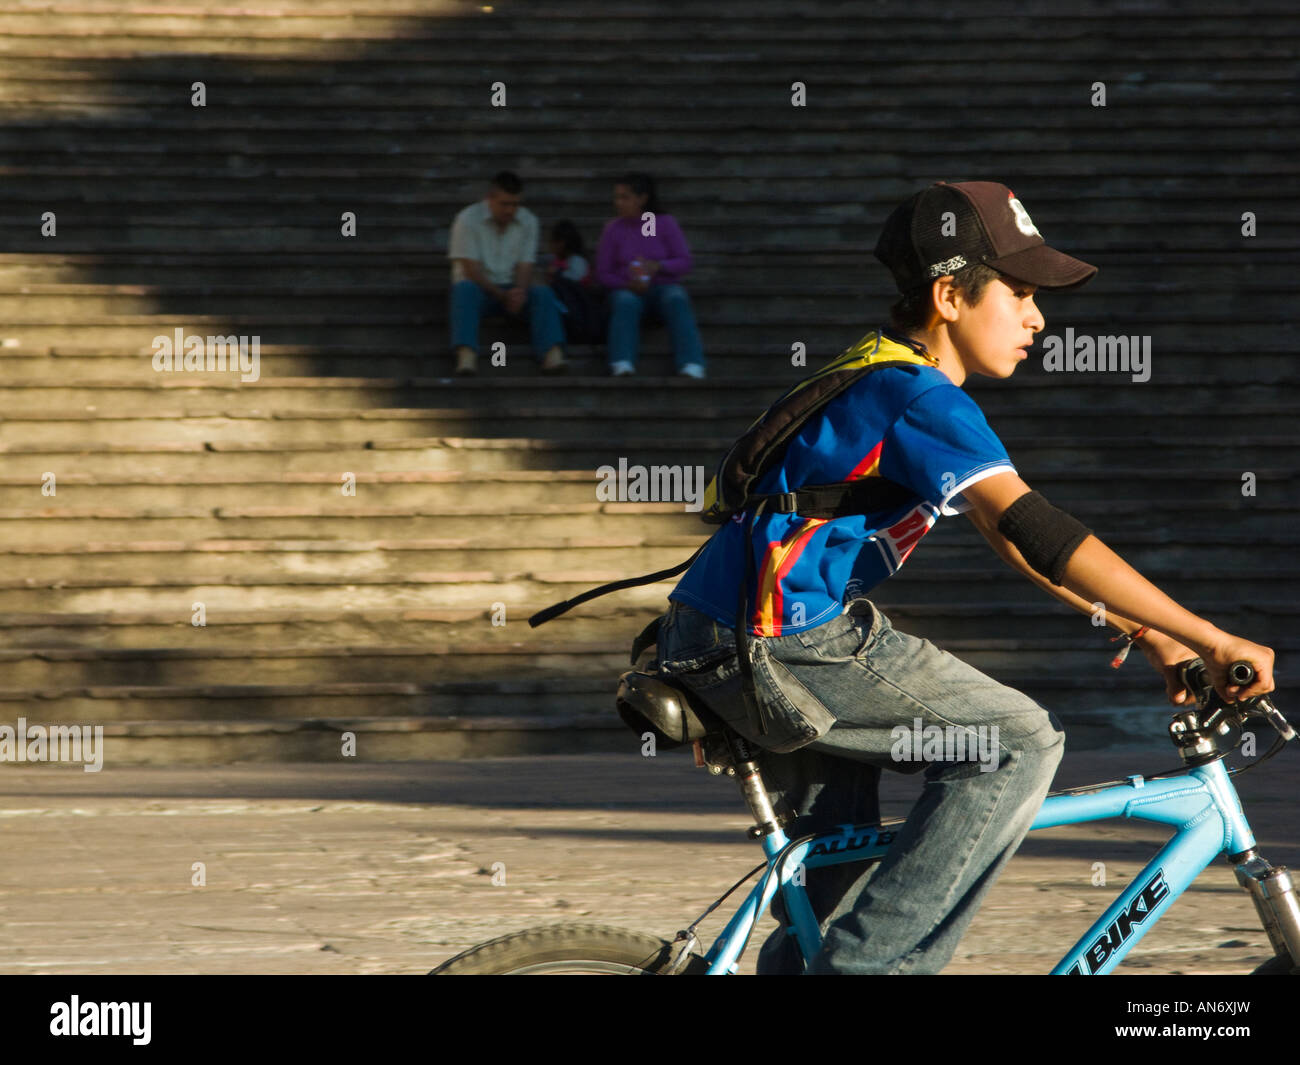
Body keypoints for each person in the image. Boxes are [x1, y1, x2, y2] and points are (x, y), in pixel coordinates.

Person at [654, 180, 1276, 974]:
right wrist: (1212, 635)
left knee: (831, 901)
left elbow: (1004, 537)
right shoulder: (917, 393)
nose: (1037, 317)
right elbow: (1035, 528)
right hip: (785, 638)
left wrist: (1147, 631)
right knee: (1015, 742)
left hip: (730, 628)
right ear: (949, 295)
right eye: (1018, 292)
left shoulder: (883, 373)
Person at [448, 170, 567, 376]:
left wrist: (518, 292)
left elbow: (525, 264)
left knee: (543, 293)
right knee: (464, 289)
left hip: (511, 287)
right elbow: (471, 269)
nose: (510, 210)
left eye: (515, 204)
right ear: (489, 199)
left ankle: (551, 354)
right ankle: (466, 355)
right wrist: (501, 294)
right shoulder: (467, 219)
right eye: (505, 204)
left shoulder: (529, 221)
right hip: (480, 288)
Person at [594, 172, 706, 378]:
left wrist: (659, 266)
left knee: (676, 297)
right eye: (617, 197)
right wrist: (627, 284)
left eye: (624, 197)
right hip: (628, 289)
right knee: (625, 302)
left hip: (662, 287)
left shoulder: (663, 223)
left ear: (642, 198)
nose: (618, 203)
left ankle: (691, 363)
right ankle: (622, 361)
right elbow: (603, 273)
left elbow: (684, 261)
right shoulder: (613, 229)